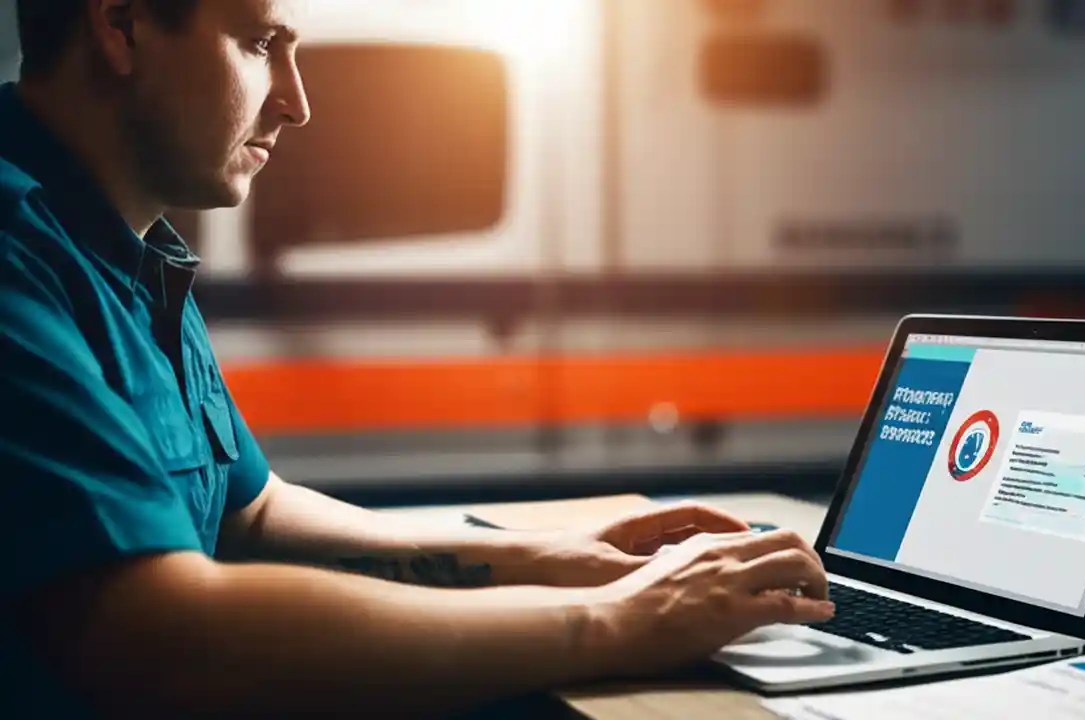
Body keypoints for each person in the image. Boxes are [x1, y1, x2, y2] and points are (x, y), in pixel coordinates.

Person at [0, 0, 834, 715]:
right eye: (260, 44)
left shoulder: (129, 252)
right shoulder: (14, 255)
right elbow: (157, 636)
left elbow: (250, 518)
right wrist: (622, 619)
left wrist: (556, 557)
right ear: (121, 24)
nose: (296, 103)